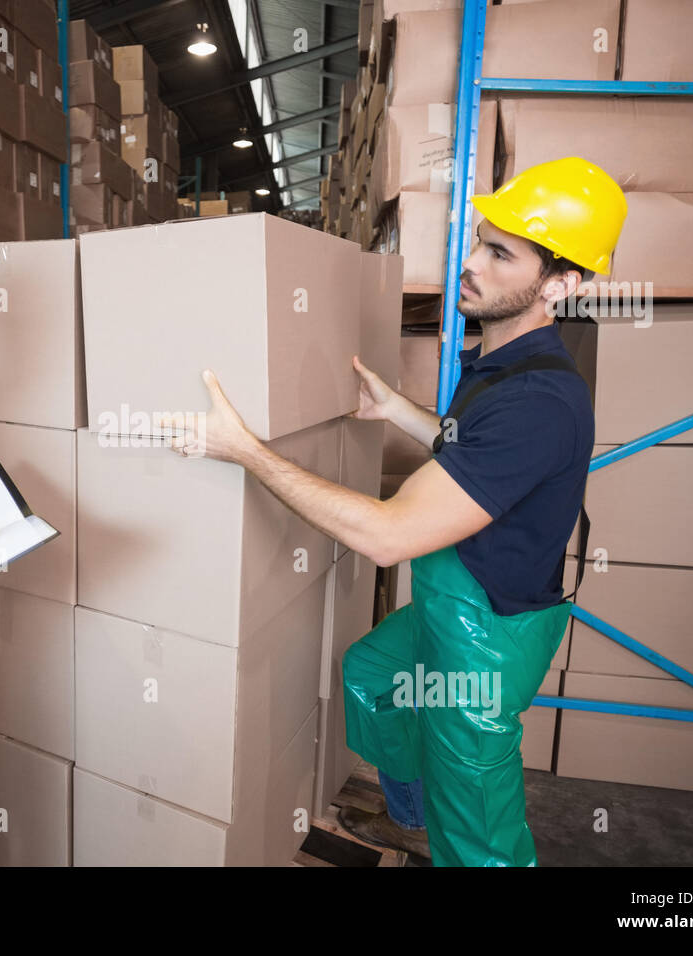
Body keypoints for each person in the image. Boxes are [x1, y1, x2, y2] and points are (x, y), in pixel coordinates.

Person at [161, 157, 626, 866]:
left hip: (485, 643)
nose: (469, 264)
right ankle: (410, 820)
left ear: (560, 284)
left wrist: (247, 451)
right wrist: (396, 411)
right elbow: (473, 450)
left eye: (499, 254)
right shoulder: (505, 364)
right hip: (450, 611)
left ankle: (447, 830)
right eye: (476, 241)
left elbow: (387, 536)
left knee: (480, 839)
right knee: (373, 676)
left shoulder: (539, 402)